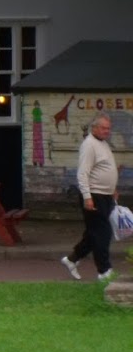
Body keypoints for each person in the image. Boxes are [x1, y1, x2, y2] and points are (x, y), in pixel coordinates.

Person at [62, 114, 119, 282]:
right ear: (94, 128)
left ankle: (72, 259)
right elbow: (83, 173)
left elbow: (105, 168)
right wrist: (87, 197)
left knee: (93, 233)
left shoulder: (103, 143)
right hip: (94, 195)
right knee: (103, 232)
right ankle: (104, 270)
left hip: (105, 195)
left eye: (108, 128)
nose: (106, 131)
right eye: (103, 128)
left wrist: (112, 188)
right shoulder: (89, 145)